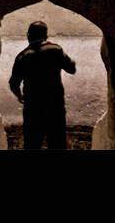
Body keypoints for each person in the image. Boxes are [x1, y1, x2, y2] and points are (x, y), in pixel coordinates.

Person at [8, 20, 77, 149]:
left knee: (32, 142)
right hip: (54, 104)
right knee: (57, 141)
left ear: (28, 35)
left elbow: (13, 83)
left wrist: (20, 96)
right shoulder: (56, 50)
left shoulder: (23, 56)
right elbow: (71, 69)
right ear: (46, 35)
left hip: (32, 105)